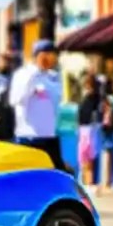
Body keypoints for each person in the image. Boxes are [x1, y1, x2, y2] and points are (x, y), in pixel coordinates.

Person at [9, 39, 67, 171]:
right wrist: (32, 79)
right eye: (50, 55)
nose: (54, 59)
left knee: (57, 175)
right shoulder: (23, 74)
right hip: (29, 137)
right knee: (30, 176)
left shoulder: (53, 77)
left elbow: (56, 101)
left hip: (50, 137)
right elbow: (15, 100)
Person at [76, 72, 104, 188]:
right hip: (87, 129)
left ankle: (88, 182)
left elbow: (86, 115)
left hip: (87, 129)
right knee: (86, 158)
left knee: (86, 158)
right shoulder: (94, 98)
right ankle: (87, 182)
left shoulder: (91, 98)